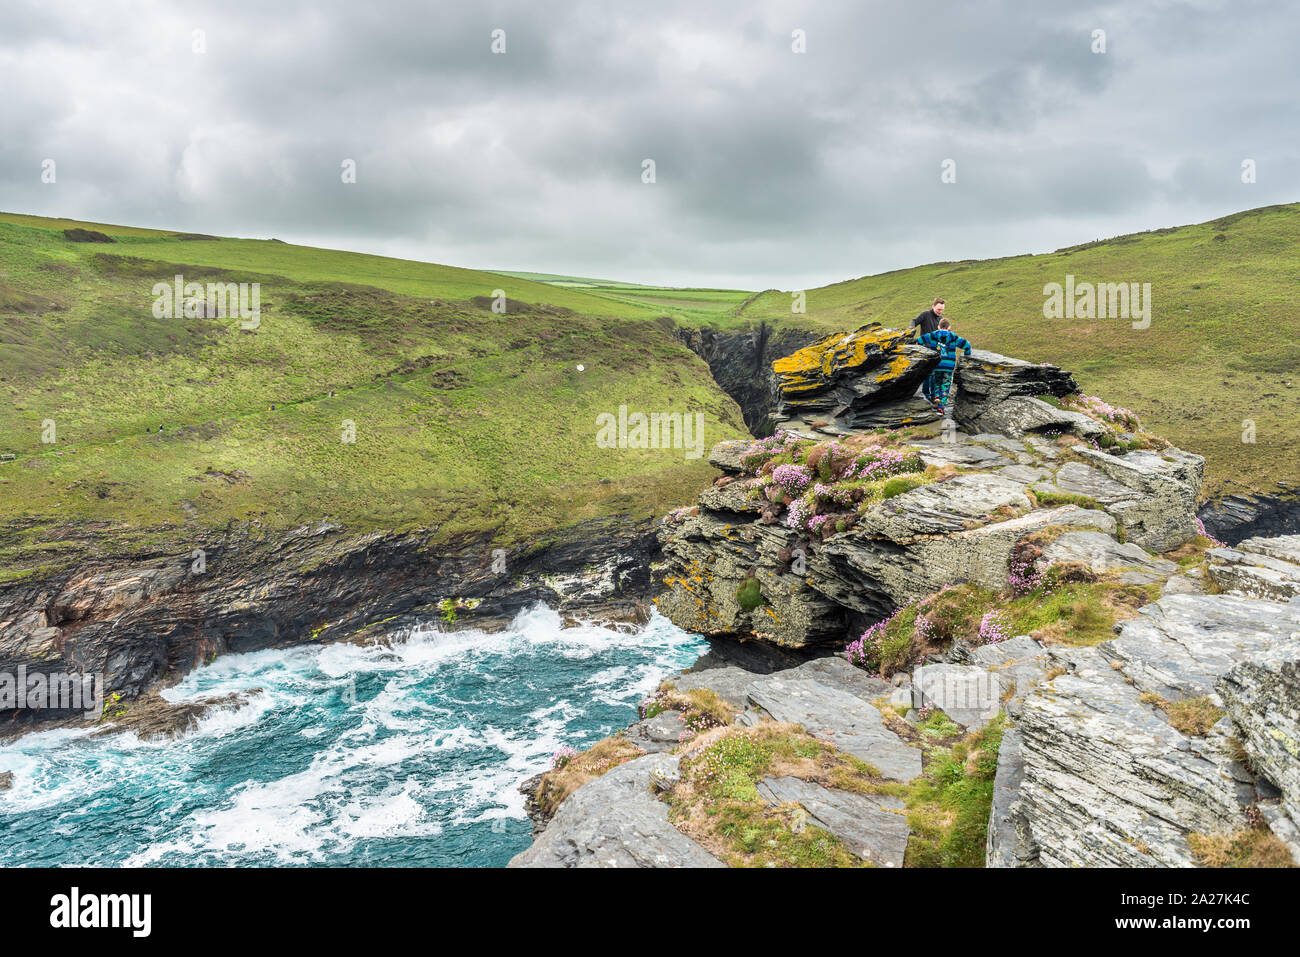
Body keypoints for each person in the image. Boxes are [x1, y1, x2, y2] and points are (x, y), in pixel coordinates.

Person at [918, 317, 972, 413]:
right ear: (949, 327)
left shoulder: (933, 335)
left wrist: (923, 352)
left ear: (938, 327)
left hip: (936, 365)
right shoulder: (953, 337)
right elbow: (967, 345)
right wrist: (967, 354)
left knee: (937, 384)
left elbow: (920, 340)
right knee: (945, 386)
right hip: (948, 367)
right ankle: (941, 408)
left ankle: (937, 397)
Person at [910, 298, 945, 400]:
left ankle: (933, 395)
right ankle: (926, 394)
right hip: (925, 349)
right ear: (933, 306)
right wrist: (910, 330)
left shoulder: (940, 319)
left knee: (936, 373)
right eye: (938, 309)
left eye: (942, 310)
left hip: (936, 350)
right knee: (928, 373)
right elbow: (914, 321)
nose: (940, 312)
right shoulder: (925, 314)